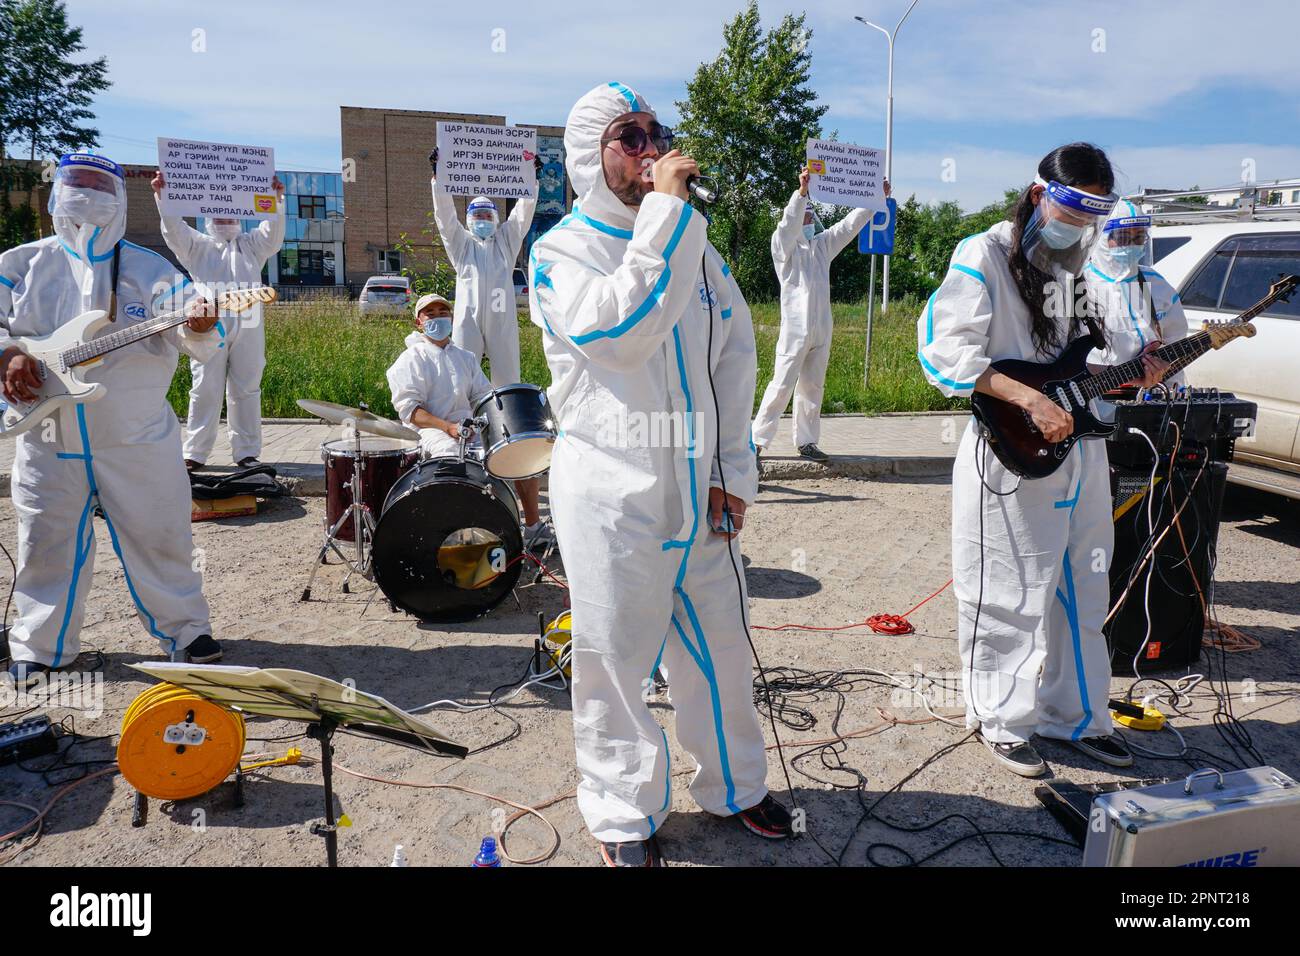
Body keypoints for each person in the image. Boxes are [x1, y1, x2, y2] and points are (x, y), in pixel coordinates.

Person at [528, 81, 788, 866]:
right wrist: (669, 221)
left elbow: (733, 359)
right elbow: (619, 335)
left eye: (655, 133)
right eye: (628, 137)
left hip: (698, 487)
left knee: (722, 651)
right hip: (611, 492)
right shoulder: (559, 251)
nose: (650, 150)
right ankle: (621, 813)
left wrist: (732, 472)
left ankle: (736, 786)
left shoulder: (694, 245)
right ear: (588, 157)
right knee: (614, 661)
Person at [917, 143, 1169, 777]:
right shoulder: (983, 254)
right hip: (1010, 450)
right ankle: (1002, 719)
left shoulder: (1077, 268)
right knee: (1005, 588)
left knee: (1084, 590)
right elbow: (942, 353)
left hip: (1081, 448)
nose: (1080, 230)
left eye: (1093, 220)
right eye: (1073, 214)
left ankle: (1075, 716)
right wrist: (1028, 396)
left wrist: (1137, 373)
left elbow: (1088, 365)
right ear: (1038, 197)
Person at [0, 153, 224, 686]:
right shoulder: (20, 264)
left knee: (162, 534)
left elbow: (199, 332)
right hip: (47, 437)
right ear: (55, 195)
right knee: (45, 541)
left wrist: (203, 318)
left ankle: (187, 631)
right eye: (75, 183)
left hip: (137, 439)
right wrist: (7, 354)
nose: (86, 194)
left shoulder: (150, 269)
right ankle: (40, 644)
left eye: (100, 185)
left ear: (121, 200)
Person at [751, 168, 890, 464]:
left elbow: (849, 226)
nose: (810, 217)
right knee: (781, 385)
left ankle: (807, 442)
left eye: (812, 211)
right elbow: (788, 225)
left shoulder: (821, 246)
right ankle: (756, 443)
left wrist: (876, 199)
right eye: (806, 212)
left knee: (813, 387)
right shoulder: (784, 248)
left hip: (821, 329)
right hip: (794, 331)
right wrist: (801, 194)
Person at [152, 170, 286, 471]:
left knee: (247, 388)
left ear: (240, 215)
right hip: (209, 324)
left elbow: (273, 236)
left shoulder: (251, 245)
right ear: (207, 215)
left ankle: (247, 453)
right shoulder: (197, 246)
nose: (225, 218)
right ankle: (196, 454)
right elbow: (173, 230)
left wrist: (276, 200)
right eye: (218, 212)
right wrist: (163, 196)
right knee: (204, 388)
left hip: (249, 320)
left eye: (231, 212)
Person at [386, 293, 544, 534]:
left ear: (451, 318)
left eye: (443, 313)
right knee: (451, 454)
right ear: (418, 322)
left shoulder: (465, 357)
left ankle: (533, 528)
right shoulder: (410, 360)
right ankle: (454, 530)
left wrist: (487, 426)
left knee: (516, 448)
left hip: (467, 428)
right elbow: (410, 411)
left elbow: (482, 396)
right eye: (430, 313)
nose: (438, 318)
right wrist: (447, 427)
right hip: (428, 431)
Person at [429, 163, 535, 388]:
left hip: (501, 318)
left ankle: (506, 418)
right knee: (462, 376)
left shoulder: (506, 242)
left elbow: (521, 217)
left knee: (508, 377)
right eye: (477, 215)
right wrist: (439, 180)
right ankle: (461, 419)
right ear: (469, 219)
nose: (483, 219)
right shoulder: (462, 245)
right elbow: (445, 219)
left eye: (488, 215)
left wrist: (532, 181)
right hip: (468, 320)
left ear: (496, 219)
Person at [1085, 200, 1188, 385]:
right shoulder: (1077, 285)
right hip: (1095, 401)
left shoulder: (1155, 282)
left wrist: (1164, 371)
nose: (1131, 245)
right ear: (1100, 237)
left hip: (1154, 398)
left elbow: (1176, 341)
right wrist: (1130, 379)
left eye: (1139, 237)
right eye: (1123, 237)